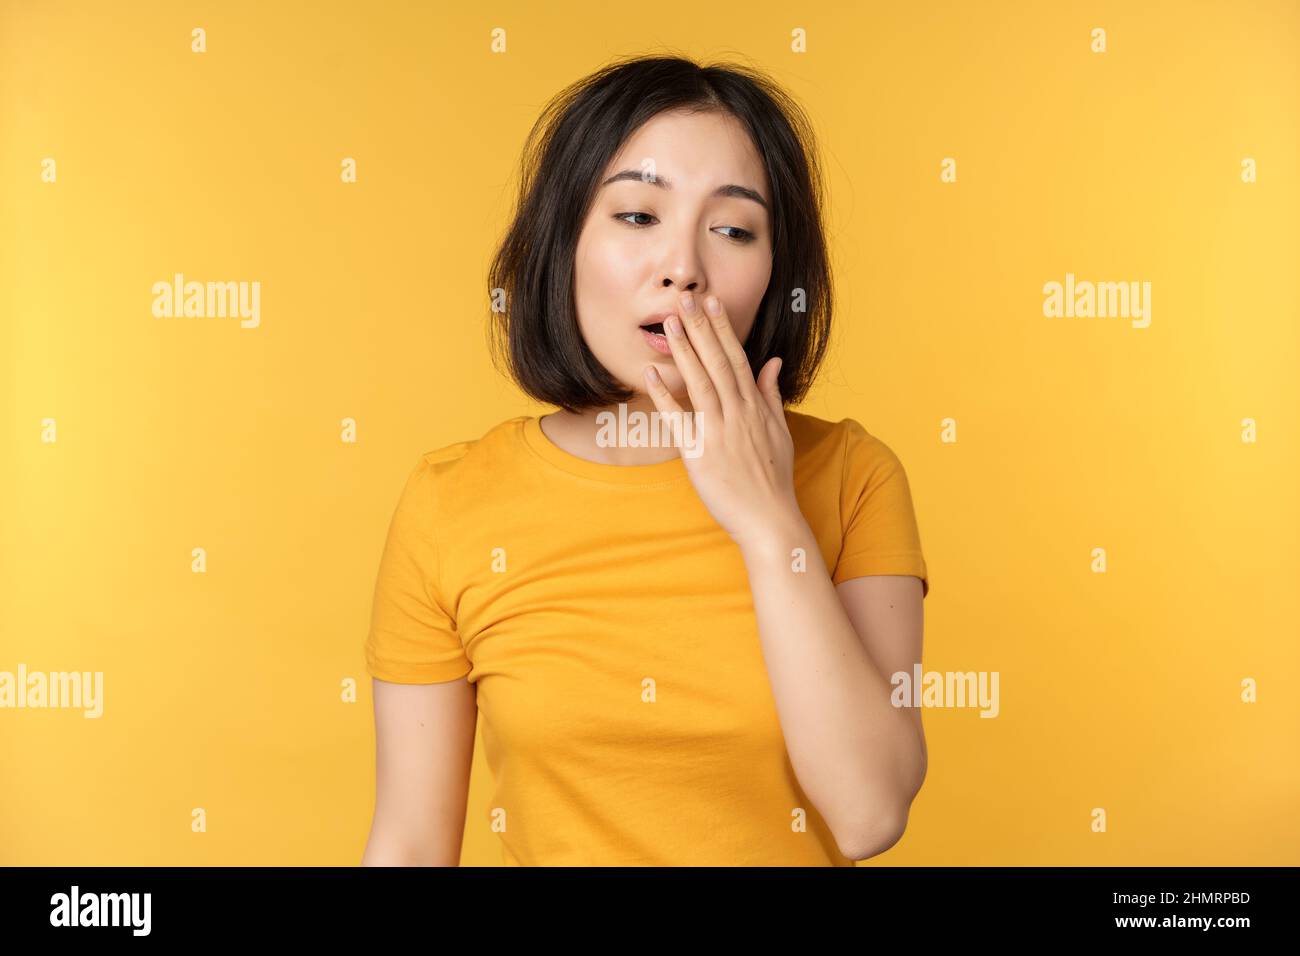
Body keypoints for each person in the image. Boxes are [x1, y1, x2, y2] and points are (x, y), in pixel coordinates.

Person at [360, 54, 930, 867]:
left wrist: (768, 519)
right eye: (637, 217)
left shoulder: (851, 475)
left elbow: (870, 813)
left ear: (775, 275)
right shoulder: (451, 502)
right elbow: (412, 844)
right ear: (564, 244)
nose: (685, 267)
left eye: (733, 230)